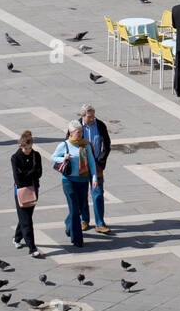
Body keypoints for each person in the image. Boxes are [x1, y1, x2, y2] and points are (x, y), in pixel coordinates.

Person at [51, 120, 100, 250]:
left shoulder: (86, 145)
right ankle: (77, 239)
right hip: (68, 180)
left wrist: (94, 177)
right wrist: (63, 158)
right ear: (71, 133)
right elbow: (53, 157)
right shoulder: (64, 145)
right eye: (78, 132)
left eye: (81, 132)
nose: (80, 134)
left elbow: (91, 162)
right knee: (74, 207)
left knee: (79, 208)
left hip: (83, 180)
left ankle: (69, 224)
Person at [79, 103, 112, 234]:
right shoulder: (76, 126)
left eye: (93, 116)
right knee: (82, 193)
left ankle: (100, 223)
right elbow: (68, 143)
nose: (93, 119)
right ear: (83, 116)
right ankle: (84, 220)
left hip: (96, 163)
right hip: (82, 164)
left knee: (97, 193)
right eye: (90, 117)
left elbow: (107, 145)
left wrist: (101, 161)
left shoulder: (100, 125)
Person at [11, 129, 43, 257]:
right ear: (21, 146)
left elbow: (39, 173)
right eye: (26, 148)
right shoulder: (15, 158)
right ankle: (32, 248)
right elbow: (18, 179)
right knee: (27, 220)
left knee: (26, 217)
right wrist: (31, 173)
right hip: (20, 191)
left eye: (30, 148)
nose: (29, 151)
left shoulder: (36, 155)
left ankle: (17, 238)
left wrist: (26, 174)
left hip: (34, 190)